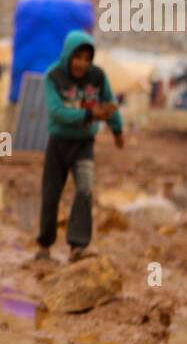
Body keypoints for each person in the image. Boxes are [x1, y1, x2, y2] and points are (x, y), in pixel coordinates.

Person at [36, 30, 124, 262]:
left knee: (85, 189)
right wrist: (89, 114)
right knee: (51, 194)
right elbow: (57, 112)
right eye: (78, 57)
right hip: (58, 143)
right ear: (68, 56)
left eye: (87, 58)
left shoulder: (97, 77)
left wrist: (117, 129)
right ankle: (44, 244)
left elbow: (109, 104)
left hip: (84, 143)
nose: (82, 63)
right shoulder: (53, 76)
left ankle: (77, 246)